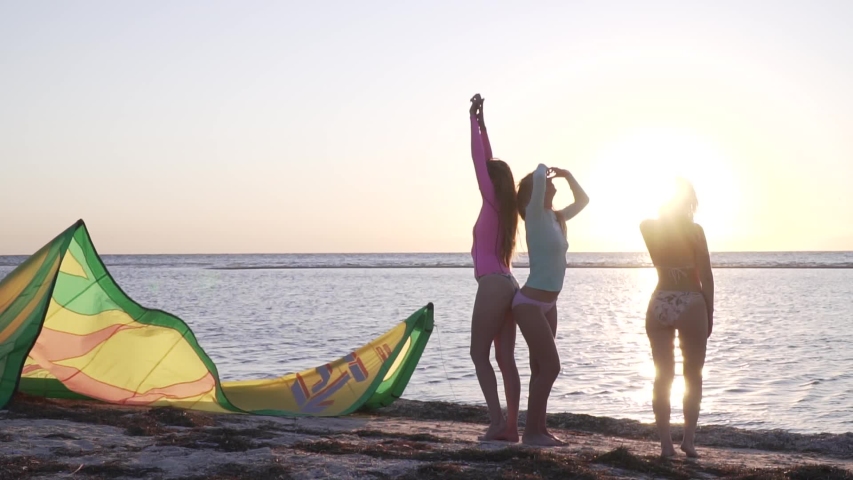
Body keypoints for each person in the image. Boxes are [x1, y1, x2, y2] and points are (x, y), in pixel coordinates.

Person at [513, 163, 589, 446]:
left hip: (549, 303)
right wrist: (543, 170)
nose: (552, 184)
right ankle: (532, 432)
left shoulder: (557, 218)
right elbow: (537, 176)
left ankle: (538, 431)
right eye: (548, 183)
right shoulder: (534, 215)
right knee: (551, 367)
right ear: (537, 191)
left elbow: (583, 201)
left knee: (540, 371)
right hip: (529, 303)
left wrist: (568, 175)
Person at [639, 178, 714, 458]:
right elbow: (705, 275)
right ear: (689, 202)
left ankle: (665, 445)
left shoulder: (648, 228)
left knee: (662, 376)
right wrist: (710, 310)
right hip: (691, 301)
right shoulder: (695, 232)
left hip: (659, 301)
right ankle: (689, 441)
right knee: (692, 376)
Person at [467, 94, 522, 442]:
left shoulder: (491, 200)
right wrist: (483, 122)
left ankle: (497, 423)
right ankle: (511, 427)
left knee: (479, 354)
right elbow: (487, 160)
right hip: (509, 284)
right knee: (504, 358)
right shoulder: (507, 206)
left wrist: (472, 121)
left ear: (491, 181)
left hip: (492, 285)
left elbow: (478, 159)